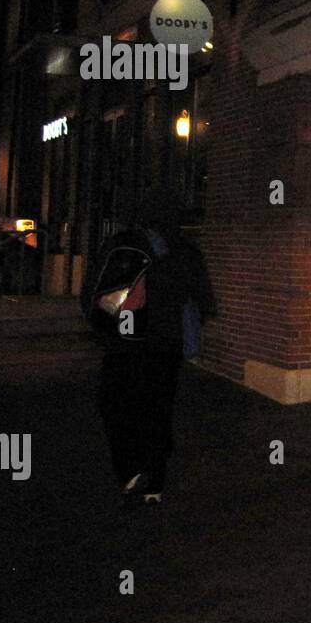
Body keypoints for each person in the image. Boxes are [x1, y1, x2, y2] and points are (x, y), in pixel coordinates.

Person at [81, 186, 216, 508]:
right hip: (166, 345)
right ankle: (154, 480)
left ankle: (129, 470)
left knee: (115, 404)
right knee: (158, 408)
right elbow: (206, 303)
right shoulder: (186, 250)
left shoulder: (122, 244)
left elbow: (91, 293)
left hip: (125, 344)